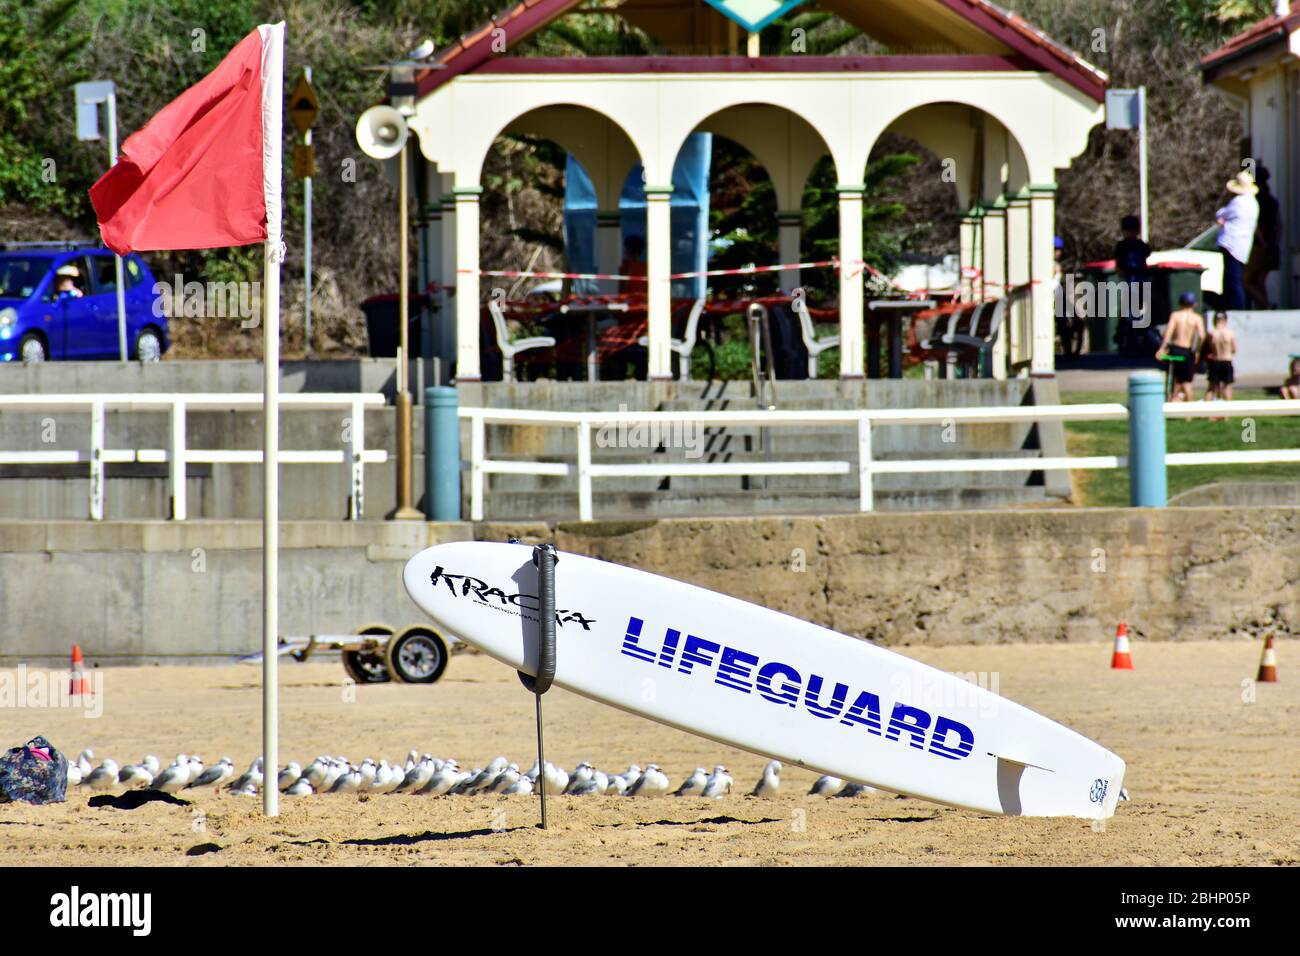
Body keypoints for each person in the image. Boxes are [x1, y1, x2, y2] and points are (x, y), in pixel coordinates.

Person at [1215, 170, 1260, 311]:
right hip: (1243, 245)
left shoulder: (1238, 202)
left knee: (1232, 280)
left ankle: (1236, 309)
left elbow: (1222, 214)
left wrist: (1221, 216)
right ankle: (1236, 307)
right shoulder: (1253, 203)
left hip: (1231, 243)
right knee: (1235, 278)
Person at [1156, 290, 1206, 402]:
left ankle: (1172, 400)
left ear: (1180, 303)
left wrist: (1162, 348)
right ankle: (1188, 409)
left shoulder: (1175, 316)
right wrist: (1197, 350)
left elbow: (1168, 334)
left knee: (1173, 379)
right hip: (1187, 351)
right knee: (1186, 382)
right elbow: (1202, 336)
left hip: (1175, 350)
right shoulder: (1196, 318)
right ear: (1194, 304)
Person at [1244, 166, 1280, 309]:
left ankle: (1265, 305)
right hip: (1272, 244)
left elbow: (1255, 225)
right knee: (1260, 280)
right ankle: (1264, 306)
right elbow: (1279, 224)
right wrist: (1275, 243)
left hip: (1259, 245)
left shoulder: (1255, 201)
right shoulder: (1272, 201)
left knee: (1246, 280)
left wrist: (1263, 242)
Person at [1113, 215, 1150, 353]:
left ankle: (1137, 337)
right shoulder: (1122, 246)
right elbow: (1119, 265)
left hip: (1140, 280)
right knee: (1128, 311)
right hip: (1129, 280)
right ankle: (1127, 337)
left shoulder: (1141, 246)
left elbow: (1146, 257)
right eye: (1129, 230)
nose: (1131, 233)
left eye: (1133, 230)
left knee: (1138, 310)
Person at [1203, 313, 1236, 407]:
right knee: (1227, 388)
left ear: (1214, 321)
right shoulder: (1230, 333)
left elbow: (1209, 349)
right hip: (1227, 361)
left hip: (1216, 361)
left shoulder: (1211, 333)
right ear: (1225, 321)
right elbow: (1234, 350)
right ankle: (1227, 412)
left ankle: (1206, 411)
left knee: (1211, 388)